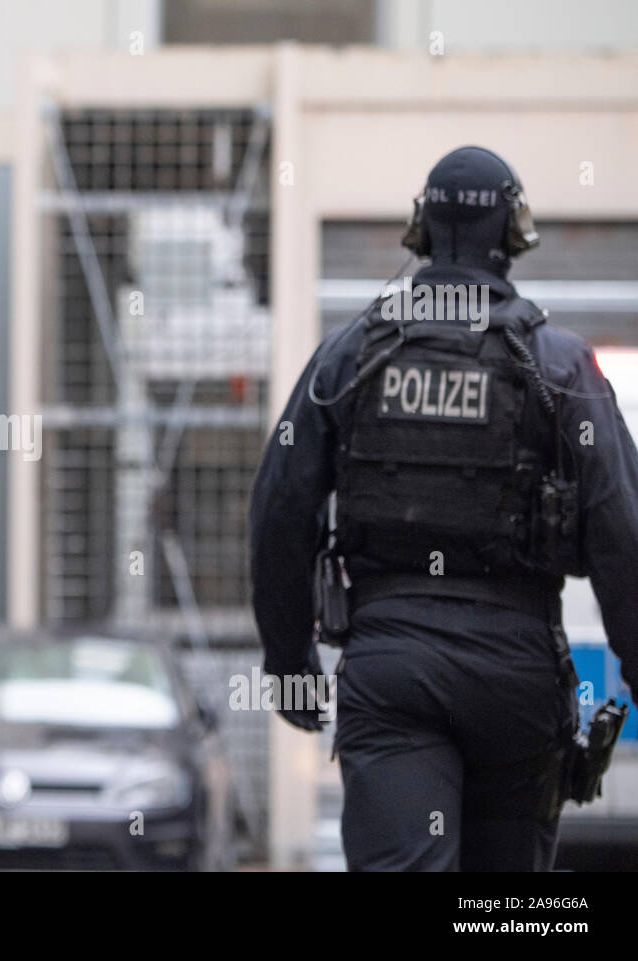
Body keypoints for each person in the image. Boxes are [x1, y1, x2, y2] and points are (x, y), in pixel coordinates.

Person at [249, 145, 638, 871]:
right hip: (517, 683)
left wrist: (289, 662)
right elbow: (621, 530)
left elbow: (279, 506)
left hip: (392, 674)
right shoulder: (560, 364)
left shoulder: (350, 354)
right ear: (513, 236)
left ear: (419, 233)